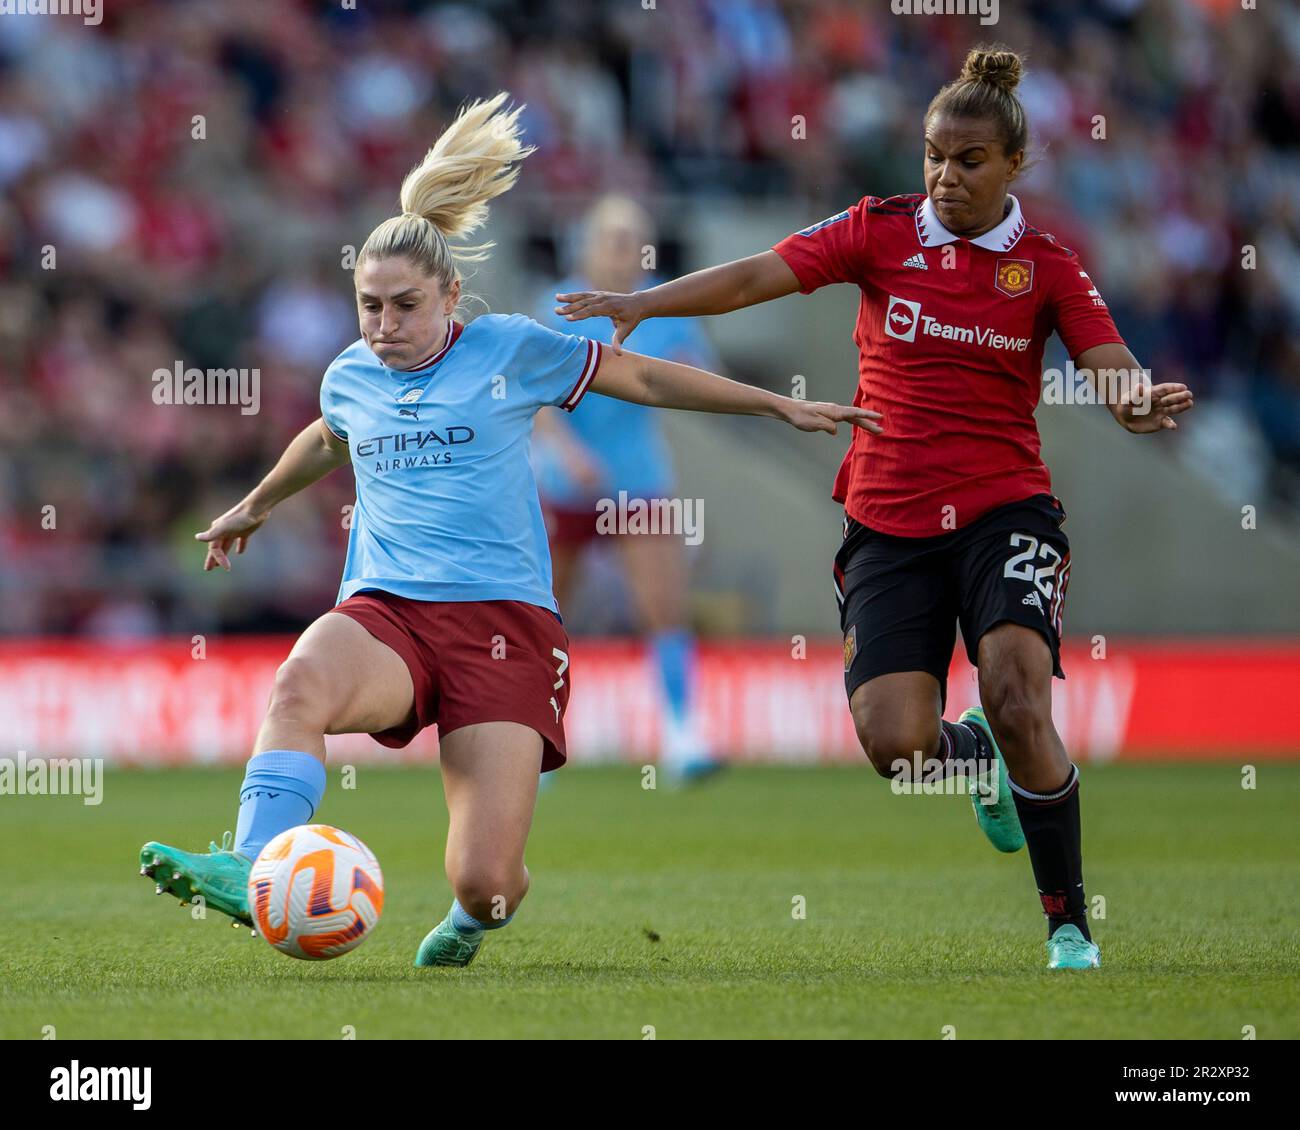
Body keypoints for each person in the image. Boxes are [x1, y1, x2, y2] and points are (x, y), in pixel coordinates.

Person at [138, 93, 877, 968]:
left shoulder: (508, 349)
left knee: (486, 881)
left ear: (450, 295)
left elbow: (643, 381)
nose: (382, 327)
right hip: (388, 614)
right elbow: (326, 437)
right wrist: (255, 505)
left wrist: (774, 404)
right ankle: (250, 862)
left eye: (404, 306)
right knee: (298, 688)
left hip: (503, 629)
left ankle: (470, 922)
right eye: (368, 307)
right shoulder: (351, 374)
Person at [556, 48, 1194, 971]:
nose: (945, 175)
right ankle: (971, 760)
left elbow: (1109, 364)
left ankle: (1068, 929)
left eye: (969, 160)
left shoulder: (1047, 267)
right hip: (888, 521)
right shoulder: (877, 231)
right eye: (934, 156)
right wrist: (640, 303)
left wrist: (1135, 404)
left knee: (1020, 697)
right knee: (897, 745)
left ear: (1015, 166)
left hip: (1004, 510)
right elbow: (752, 278)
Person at [532, 195, 722, 781]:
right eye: (615, 241)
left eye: (635, 241)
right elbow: (531, 394)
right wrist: (567, 451)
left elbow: (701, 373)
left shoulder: (666, 304)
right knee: (543, 613)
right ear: (588, 247)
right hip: (566, 482)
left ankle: (682, 736)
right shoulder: (557, 304)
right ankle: (536, 743)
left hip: (639, 480)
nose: (628, 253)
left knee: (664, 605)